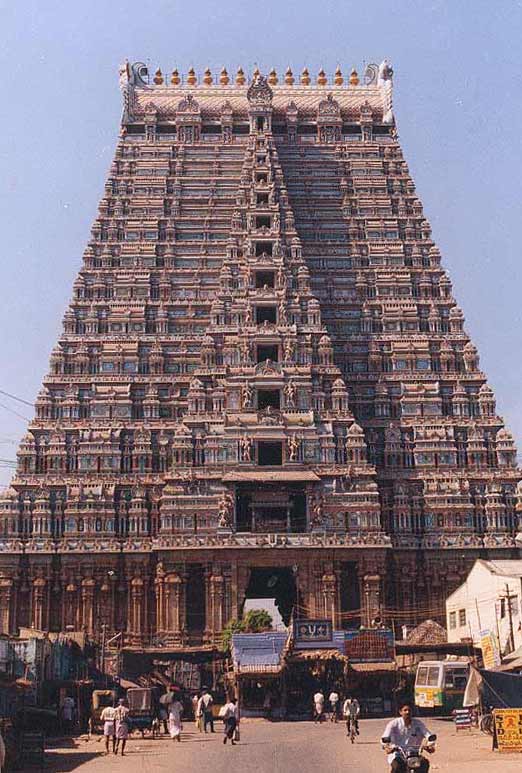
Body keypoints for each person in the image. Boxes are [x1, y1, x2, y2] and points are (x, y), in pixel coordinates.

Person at [382, 702, 435, 772]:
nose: (407, 712)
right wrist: (387, 747)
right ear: (400, 712)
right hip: (398, 753)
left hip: (414, 753)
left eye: (409, 710)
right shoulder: (393, 724)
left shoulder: (418, 723)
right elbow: (385, 737)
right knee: (397, 766)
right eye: (405, 710)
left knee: (424, 763)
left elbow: (428, 735)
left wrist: (429, 745)